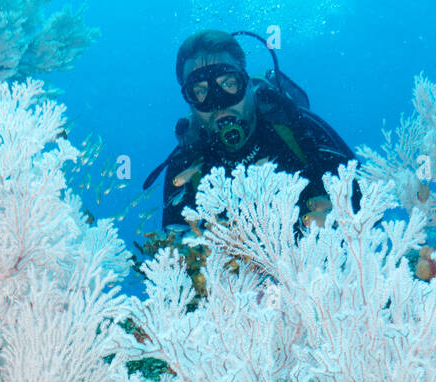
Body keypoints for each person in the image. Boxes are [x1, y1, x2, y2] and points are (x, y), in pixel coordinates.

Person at [147, 30, 359, 231]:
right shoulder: (185, 164)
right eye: (200, 91)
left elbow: (365, 206)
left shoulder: (295, 125)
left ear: (247, 84)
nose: (218, 103)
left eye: (229, 83)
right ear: (190, 104)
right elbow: (175, 247)